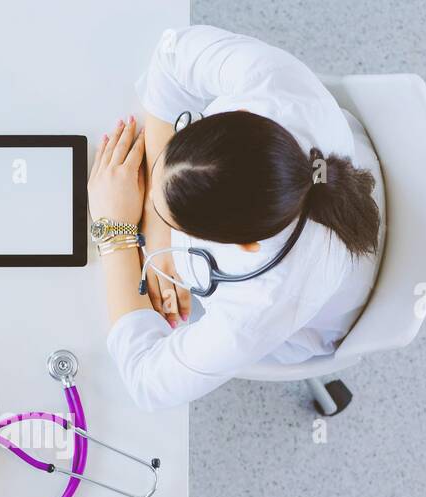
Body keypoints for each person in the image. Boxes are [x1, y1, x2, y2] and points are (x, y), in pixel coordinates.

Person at [87, 26, 385, 411]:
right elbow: (171, 55)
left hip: (318, 315)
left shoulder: (260, 305)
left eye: (172, 219)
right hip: (358, 186)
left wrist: (115, 231)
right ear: (241, 114)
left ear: (246, 246)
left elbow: (146, 381)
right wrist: (158, 232)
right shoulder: (270, 83)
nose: (151, 202)